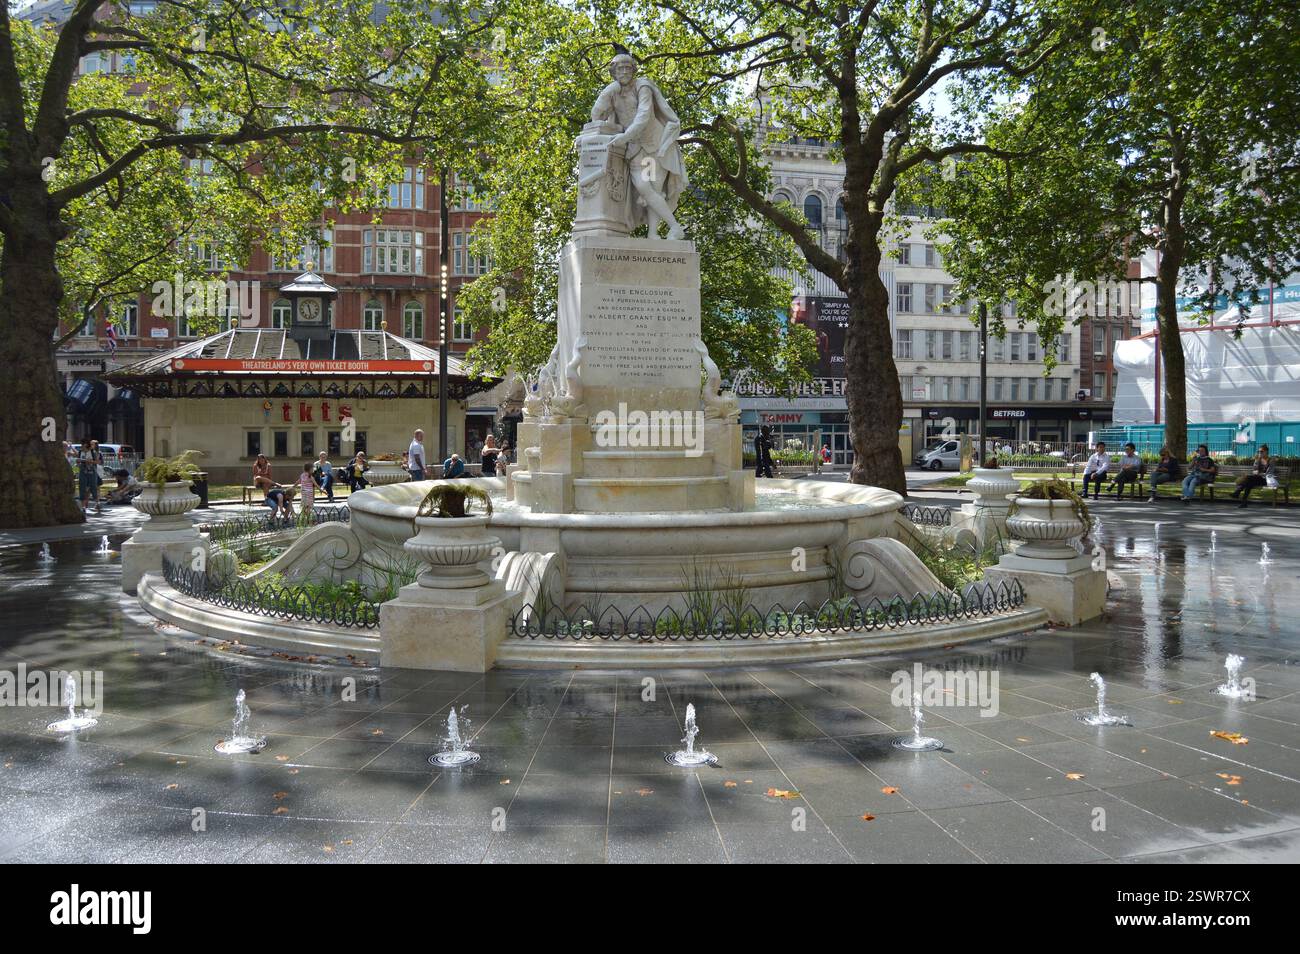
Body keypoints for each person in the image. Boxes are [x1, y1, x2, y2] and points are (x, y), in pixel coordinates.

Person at [78, 440, 103, 514]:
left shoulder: (93, 452)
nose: (81, 447)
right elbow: (79, 463)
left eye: (83, 446)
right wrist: (79, 461)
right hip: (83, 472)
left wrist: (89, 461)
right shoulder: (80, 452)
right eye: (81, 445)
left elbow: (98, 462)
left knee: (93, 487)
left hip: (92, 472)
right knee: (82, 488)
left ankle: (97, 503)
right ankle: (83, 507)